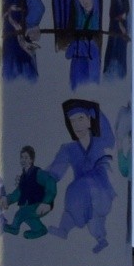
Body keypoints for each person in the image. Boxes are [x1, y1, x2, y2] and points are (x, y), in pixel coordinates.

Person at [49, 98, 116, 255]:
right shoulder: (68, 149)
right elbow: (55, 169)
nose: (77, 125)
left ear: (89, 120)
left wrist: (97, 110)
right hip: (79, 191)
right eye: (72, 121)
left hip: (100, 189)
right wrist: (38, 179)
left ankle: (100, 238)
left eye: (81, 119)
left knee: (93, 210)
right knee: (74, 203)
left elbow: (111, 139)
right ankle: (63, 230)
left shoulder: (100, 142)